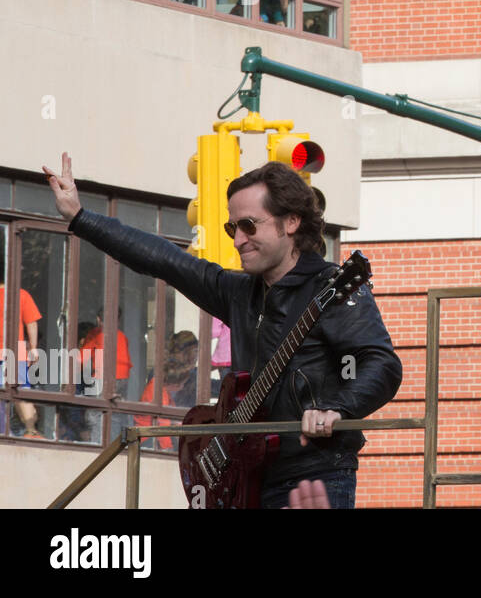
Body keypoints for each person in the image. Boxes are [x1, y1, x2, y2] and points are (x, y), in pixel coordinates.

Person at [43, 154, 402, 509]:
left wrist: (336, 408)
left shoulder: (332, 288)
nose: (238, 239)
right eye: (233, 228)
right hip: (245, 476)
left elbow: (381, 363)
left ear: (291, 222)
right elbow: (164, 259)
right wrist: (80, 217)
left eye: (249, 225)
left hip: (313, 475)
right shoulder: (239, 293)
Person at [1, 284, 41, 437]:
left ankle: (4, 431)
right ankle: (31, 430)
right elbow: (31, 322)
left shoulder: (20, 295)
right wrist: (33, 347)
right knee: (22, 392)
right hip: (16, 354)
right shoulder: (21, 295)